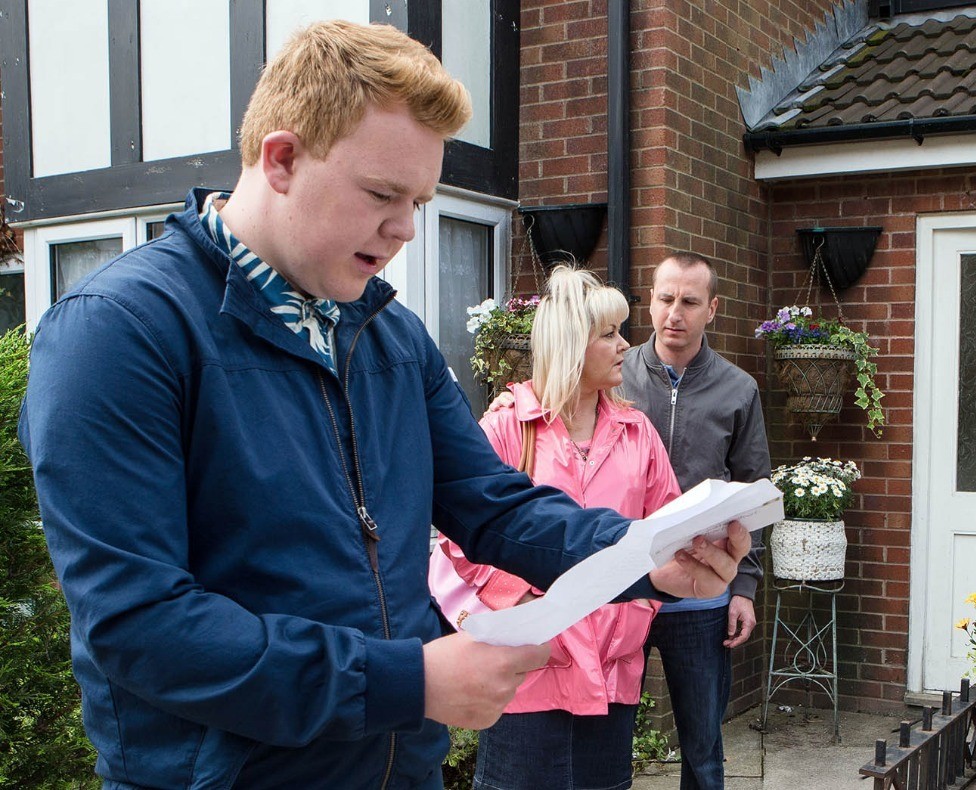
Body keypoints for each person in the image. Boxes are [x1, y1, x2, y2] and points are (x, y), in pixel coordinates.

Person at [18, 21, 747, 789]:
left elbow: (494, 507)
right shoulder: (121, 332)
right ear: (282, 158)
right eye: (382, 194)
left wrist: (648, 555)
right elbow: (141, 626)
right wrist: (412, 684)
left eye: (420, 201)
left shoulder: (390, 333)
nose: (404, 228)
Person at [429, 266, 682, 790]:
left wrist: (639, 610)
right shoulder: (506, 427)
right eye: (609, 334)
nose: (624, 345)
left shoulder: (638, 434)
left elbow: (668, 532)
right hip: (529, 669)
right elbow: (457, 535)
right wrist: (516, 602)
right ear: (571, 344)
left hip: (613, 672)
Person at [625, 252, 771, 790]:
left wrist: (746, 587)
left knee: (703, 751)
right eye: (665, 299)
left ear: (713, 308)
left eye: (689, 302)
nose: (674, 314)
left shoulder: (739, 389)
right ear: (651, 300)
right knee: (608, 741)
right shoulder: (615, 378)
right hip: (626, 586)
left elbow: (754, 496)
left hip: (703, 594)